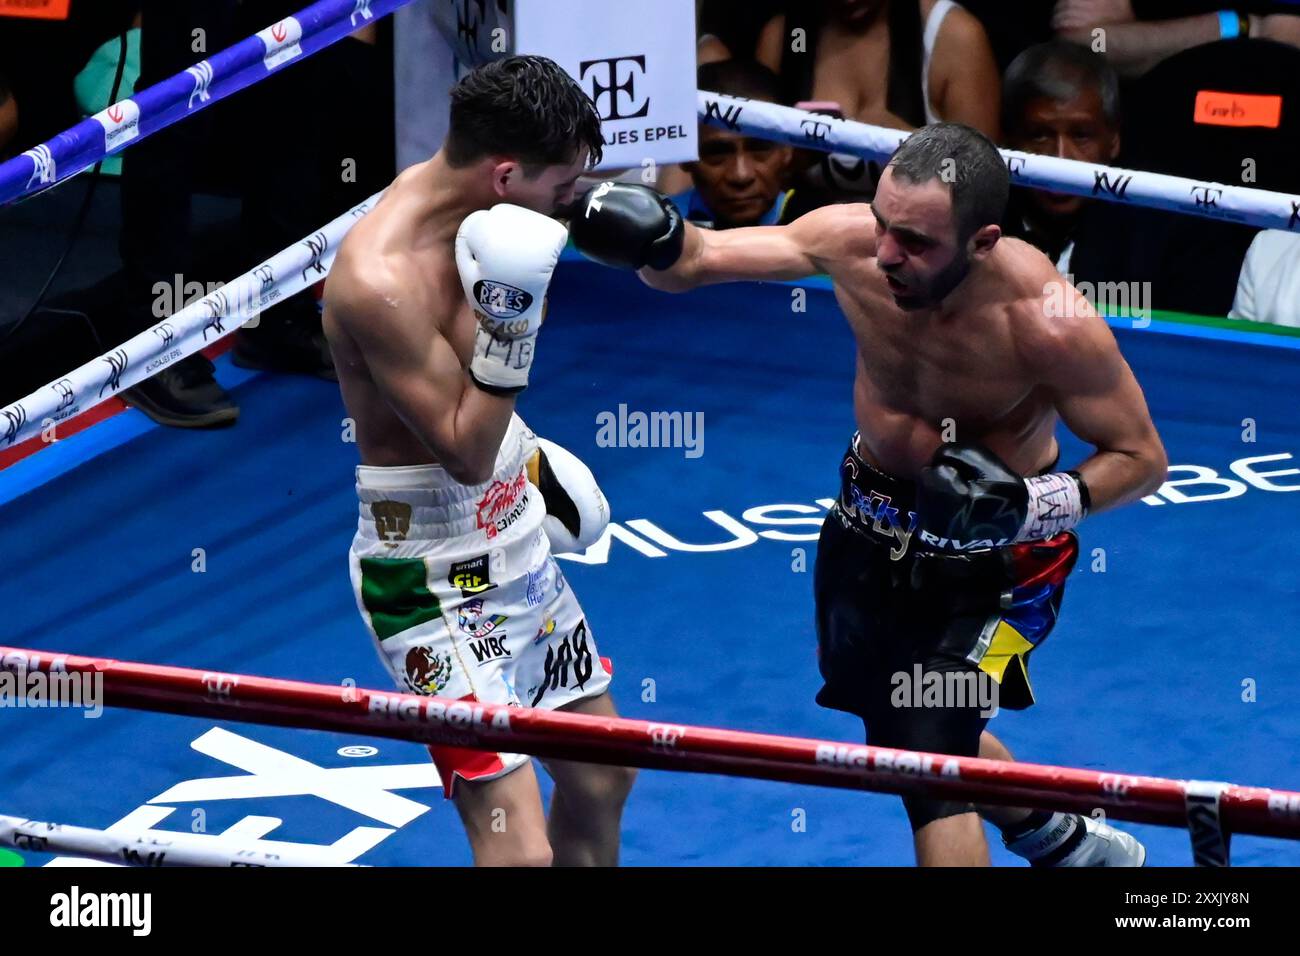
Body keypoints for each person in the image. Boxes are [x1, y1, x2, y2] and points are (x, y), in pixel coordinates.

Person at [566, 123, 1168, 866]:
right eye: (883, 224)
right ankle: (1067, 842)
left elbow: (1142, 459)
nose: (885, 254)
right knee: (899, 726)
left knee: (927, 754)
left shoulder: (1050, 321)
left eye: (914, 241)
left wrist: (1024, 503)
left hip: (1001, 567)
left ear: (981, 241)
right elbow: (695, 260)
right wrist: (655, 240)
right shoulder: (853, 241)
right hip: (865, 529)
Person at [322, 55, 634, 867]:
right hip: (423, 575)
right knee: (516, 849)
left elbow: (489, 440)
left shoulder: (481, 217)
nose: (568, 212)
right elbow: (462, 450)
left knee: (601, 777)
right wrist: (513, 328)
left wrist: (528, 459)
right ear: (504, 175)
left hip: (515, 541)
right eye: (560, 190)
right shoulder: (379, 278)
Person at [1000, 41, 1122, 274]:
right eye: (1039, 136)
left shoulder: (1157, 243)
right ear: (1008, 139)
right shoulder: (971, 233)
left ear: (1114, 140)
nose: (1060, 158)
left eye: (1080, 135)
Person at [673, 59, 796, 229]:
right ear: (684, 156)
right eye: (717, 153)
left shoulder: (822, 224)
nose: (741, 175)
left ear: (787, 149)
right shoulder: (650, 234)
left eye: (759, 148)